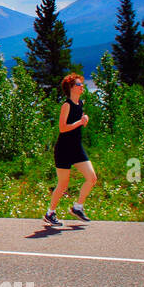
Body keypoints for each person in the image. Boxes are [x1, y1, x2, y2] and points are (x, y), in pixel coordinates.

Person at [44, 73, 96, 225]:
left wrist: (84, 118)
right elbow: (62, 128)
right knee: (63, 184)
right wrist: (80, 122)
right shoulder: (66, 105)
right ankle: (50, 213)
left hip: (77, 148)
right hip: (64, 149)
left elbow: (78, 120)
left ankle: (77, 207)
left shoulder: (80, 103)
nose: (82, 87)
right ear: (71, 88)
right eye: (79, 85)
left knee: (92, 178)